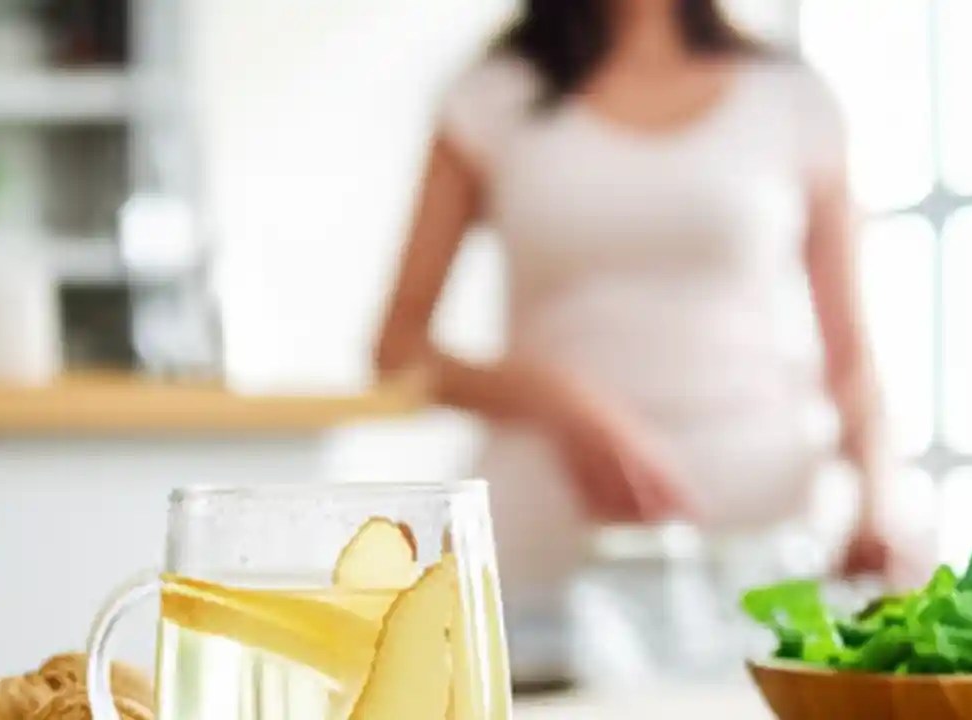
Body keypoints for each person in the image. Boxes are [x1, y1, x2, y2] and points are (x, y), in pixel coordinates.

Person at [376, 0, 901, 674]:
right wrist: (560, 400)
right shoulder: (493, 93)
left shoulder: (792, 100)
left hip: (758, 559)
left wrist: (877, 508)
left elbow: (852, 362)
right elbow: (395, 348)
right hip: (543, 567)